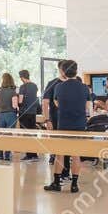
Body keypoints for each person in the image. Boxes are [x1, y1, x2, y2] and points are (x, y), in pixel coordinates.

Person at [43, 60, 90, 193]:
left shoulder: (59, 87)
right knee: (76, 155)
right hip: (80, 124)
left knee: (60, 154)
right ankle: (74, 184)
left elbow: (57, 103)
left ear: (63, 71)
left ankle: (57, 183)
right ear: (76, 70)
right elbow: (87, 107)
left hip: (63, 124)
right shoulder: (84, 87)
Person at [13, 69, 40, 158]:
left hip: (24, 113)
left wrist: (16, 97)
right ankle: (34, 154)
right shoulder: (35, 86)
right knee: (32, 133)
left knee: (26, 134)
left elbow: (20, 101)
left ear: (22, 77)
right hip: (33, 112)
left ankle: (29, 155)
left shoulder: (23, 87)